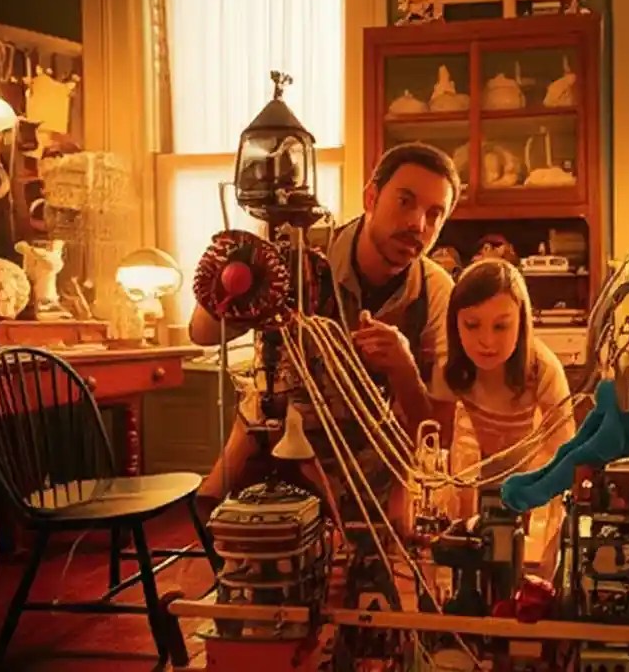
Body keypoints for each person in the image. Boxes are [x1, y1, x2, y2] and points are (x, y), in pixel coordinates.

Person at [189, 142, 460, 517]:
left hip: (371, 463)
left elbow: (438, 435)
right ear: (371, 197)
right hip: (277, 443)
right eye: (405, 202)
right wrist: (242, 276)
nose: (418, 224)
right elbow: (201, 332)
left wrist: (404, 370)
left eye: (434, 215)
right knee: (215, 523)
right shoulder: (298, 255)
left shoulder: (437, 294)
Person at [429, 258, 575, 573]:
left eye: (501, 325)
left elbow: (565, 457)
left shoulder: (543, 370)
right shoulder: (447, 373)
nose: (487, 340)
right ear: (454, 323)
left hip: (530, 501)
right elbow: (436, 455)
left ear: (522, 322)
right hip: (468, 501)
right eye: (472, 325)